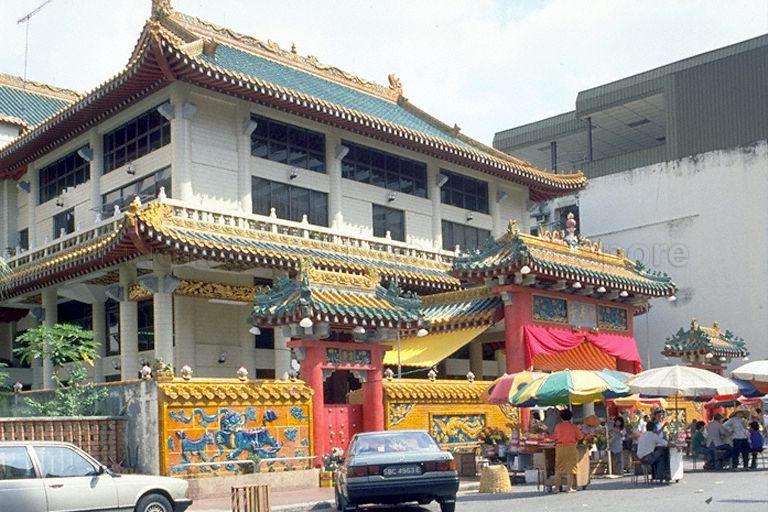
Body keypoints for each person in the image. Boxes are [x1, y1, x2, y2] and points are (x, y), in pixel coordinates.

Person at [553, 409, 584, 493]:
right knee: (570, 469)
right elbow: (580, 437)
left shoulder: (558, 426)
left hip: (560, 447)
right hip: (571, 447)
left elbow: (555, 438)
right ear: (570, 417)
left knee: (558, 469)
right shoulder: (573, 427)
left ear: (561, 417)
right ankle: (569, 488)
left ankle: (556, 488)